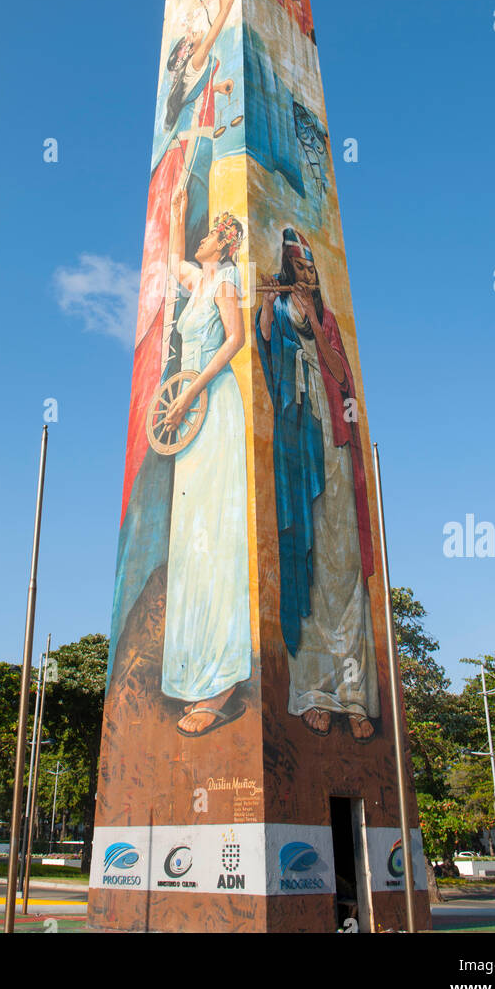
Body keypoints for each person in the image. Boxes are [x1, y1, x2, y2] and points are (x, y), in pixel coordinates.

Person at [256, 228, 379, 739]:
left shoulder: (326, 318)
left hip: (334, 445)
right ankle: (312, 692)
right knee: (305, 562)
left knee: (343, 567)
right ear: (287, 268)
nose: (304, 271)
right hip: (297, 445)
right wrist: (272, 306)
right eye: (297, 265)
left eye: (310, 265)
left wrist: (314, 327)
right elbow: (264, 346)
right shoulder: (278, 308)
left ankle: (354, 696)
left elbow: (344, 379)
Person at [159, 187, 250, 736]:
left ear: (226, 243)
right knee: (190, 535)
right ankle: (194, 673)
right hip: (187, 408)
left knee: (217, 532)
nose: (200, 237)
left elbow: (235, 340)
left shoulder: (226, 281)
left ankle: (223, 681)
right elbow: (172, 262)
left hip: (211, 403)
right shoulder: (196, 283)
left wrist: (192, 394)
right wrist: (174, 209)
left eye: (209, 231)